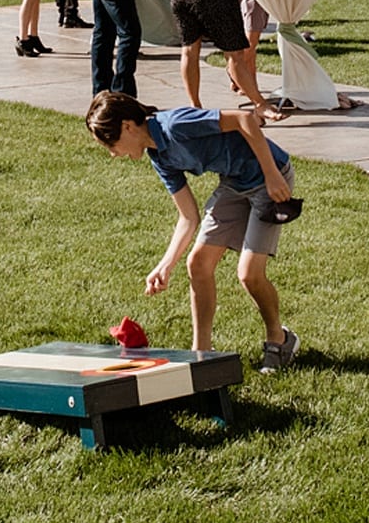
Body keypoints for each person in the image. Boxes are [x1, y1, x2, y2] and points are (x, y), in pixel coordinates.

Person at [85, 91, 301, 372]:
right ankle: (201, 354)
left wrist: (271, 174)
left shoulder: (175, 125)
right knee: (197, 263)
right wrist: (165, 265)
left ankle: (279, 339)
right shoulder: (159, 157)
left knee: (249, 274)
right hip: (234, 182)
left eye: (111, 144)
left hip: (270, 176)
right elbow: (188, 216)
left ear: (128, 126)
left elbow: (245, 119)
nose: (113, 154)